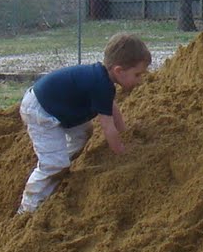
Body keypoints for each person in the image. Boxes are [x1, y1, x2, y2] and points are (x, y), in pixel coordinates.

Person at [17, 32, 151, 213]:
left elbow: (112, 109)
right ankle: (28, 208)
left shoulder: (103, 80)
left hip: (55, 106)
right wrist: (122, 154)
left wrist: (126, 133)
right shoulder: (101, 84)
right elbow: (108, 127)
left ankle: (64, 161)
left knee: (84, 132)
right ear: (119, 71)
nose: (140, 80)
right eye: (137, 74)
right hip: (41, 110)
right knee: (54, 163)